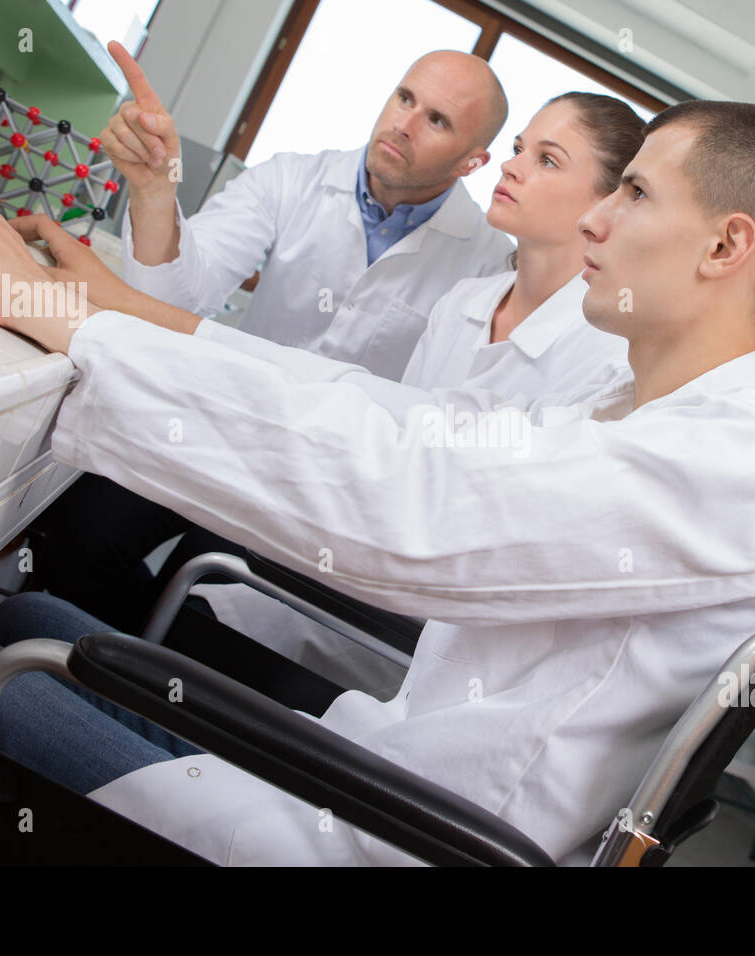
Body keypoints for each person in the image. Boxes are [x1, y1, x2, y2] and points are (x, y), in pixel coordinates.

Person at [0, 100, 755, 867]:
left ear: (726, 244)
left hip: (387, 831)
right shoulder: (643, 414)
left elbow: (415, 508)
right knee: (32, 618)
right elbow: (390, 417)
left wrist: (77, 325)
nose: (596, 220)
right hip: (369, 770)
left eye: (633, 193)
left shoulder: (754, 461)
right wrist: (98, 316)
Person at [158, 90, 646, 698]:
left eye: (547, 160)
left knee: (177, 608)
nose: (513, 166)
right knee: (161, 571)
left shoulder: (604, 352)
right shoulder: (464, 301)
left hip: (400, 637)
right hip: (339, 562)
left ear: (610, 203)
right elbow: (384, 453)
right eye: (519, 148)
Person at [30, 42, 514, 632]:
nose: (403, 124)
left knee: (197, 612)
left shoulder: (489, 265)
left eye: (436, 120)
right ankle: (88, 665)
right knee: (73, 537)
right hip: (209, 421)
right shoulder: (291, 180)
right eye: (404, 97)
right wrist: (156, 191)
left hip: (314, 487)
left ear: (472, 161)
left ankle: (122, 675)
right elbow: (174, 304)